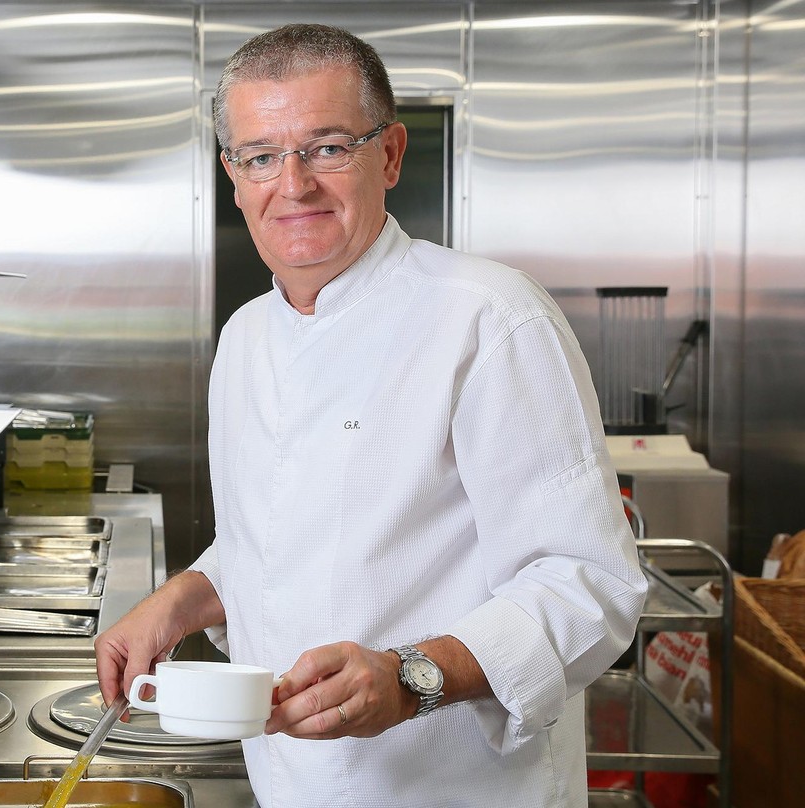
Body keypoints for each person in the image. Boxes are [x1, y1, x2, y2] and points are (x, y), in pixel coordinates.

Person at [94, 23, 648, 807]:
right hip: (289, 783)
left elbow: (589, 582)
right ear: (233, 177)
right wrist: (181, 600)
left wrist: (412, 677)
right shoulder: (245, 337)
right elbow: (282, 539)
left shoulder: (489, 318)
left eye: (327, 148)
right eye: (261, 156)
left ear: (389, 154)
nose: (293, 185)